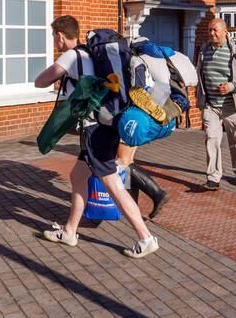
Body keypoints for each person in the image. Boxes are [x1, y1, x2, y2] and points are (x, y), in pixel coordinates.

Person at [33, 15, 159, 258]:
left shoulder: (73, 56)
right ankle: (69, 231)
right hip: (107, 123)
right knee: (78, 175)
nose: (54, 41)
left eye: (54, 37)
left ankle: (145, 237)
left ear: (60, 36)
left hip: (95, 129)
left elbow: (41, 81)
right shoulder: (92, 55)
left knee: (112, 183)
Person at [195, 17, 236, 190]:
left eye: (215, 30)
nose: (212, 33)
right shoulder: (203, 50)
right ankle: (213, 177)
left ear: (225, 32)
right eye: (210, 30)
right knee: (211, 139)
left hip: (232, 106)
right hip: (211, 106)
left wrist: (231, 86)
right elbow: (199, 74)